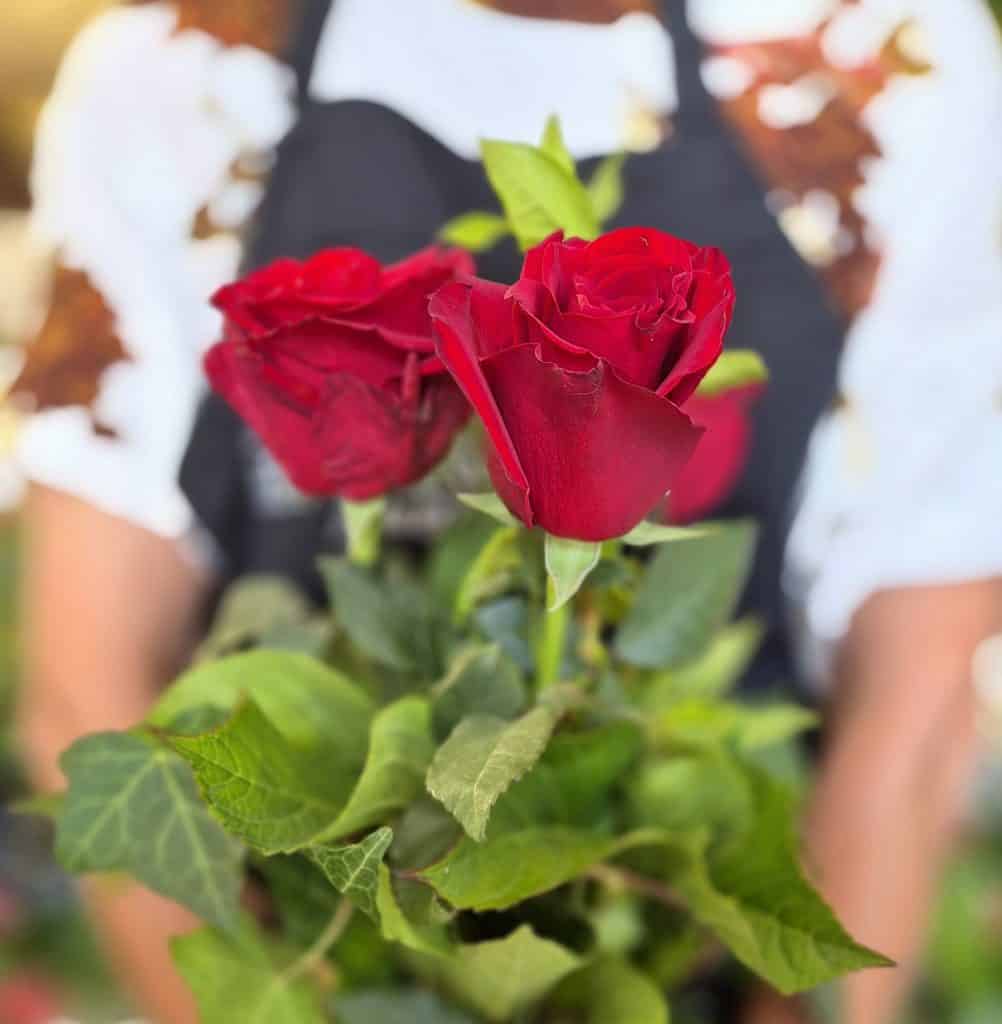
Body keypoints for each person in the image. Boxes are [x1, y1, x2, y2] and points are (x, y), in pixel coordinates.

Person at [13, 1, 1002, 1022]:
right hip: (304, 948)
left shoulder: (878, 52)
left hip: (715, 951)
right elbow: (85, 678)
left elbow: (917, 681)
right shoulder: (180, 68)